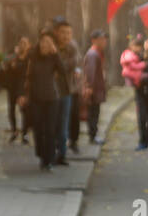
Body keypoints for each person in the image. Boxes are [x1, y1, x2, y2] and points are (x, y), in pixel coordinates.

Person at [20, 30, 68, 171]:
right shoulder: (32, 56)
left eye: (48, 42)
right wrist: (22, 94)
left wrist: (56, 54)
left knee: (50, 129)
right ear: (39, 43)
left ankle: (49, 160)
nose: (45, 44)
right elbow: (25, 76)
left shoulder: (54, 57)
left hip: (52, 98)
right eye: (43, 41)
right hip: (36, 98)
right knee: (38, 128)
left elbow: (63, 71)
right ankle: (42, 154)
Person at [52, 18, 81, 164]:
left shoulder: (72, 48)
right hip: (51, 93)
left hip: (67, 92)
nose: (66, 36)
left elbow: (72, 63)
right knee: (52, 124)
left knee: (63, 125)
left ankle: (62, 154)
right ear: (56, 33)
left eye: (69, 33)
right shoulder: (51, 47)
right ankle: (51, 153)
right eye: (63, 32)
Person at [81, 30, 109, 144]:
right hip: (94, 88)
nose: (104, 42)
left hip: (97, 87)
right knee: (93, 112)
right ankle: (92, 135)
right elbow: (90, 72)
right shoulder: (93, 54)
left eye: (104, 39)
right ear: (94, 40)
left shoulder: (97, 53)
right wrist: (89, 87)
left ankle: (94, 134)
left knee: (95, 112)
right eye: (101, 39)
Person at [2, 36, 31, 143]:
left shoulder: (30, 59)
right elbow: (4, 67)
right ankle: (14, 131)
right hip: (12, 87)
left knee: (25, 111)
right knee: (11, 110)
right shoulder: (13, 58)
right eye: (21, 43)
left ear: (29, 45)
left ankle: (25, 133)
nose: (23, 45)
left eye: (25, 43)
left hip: (24, 88)